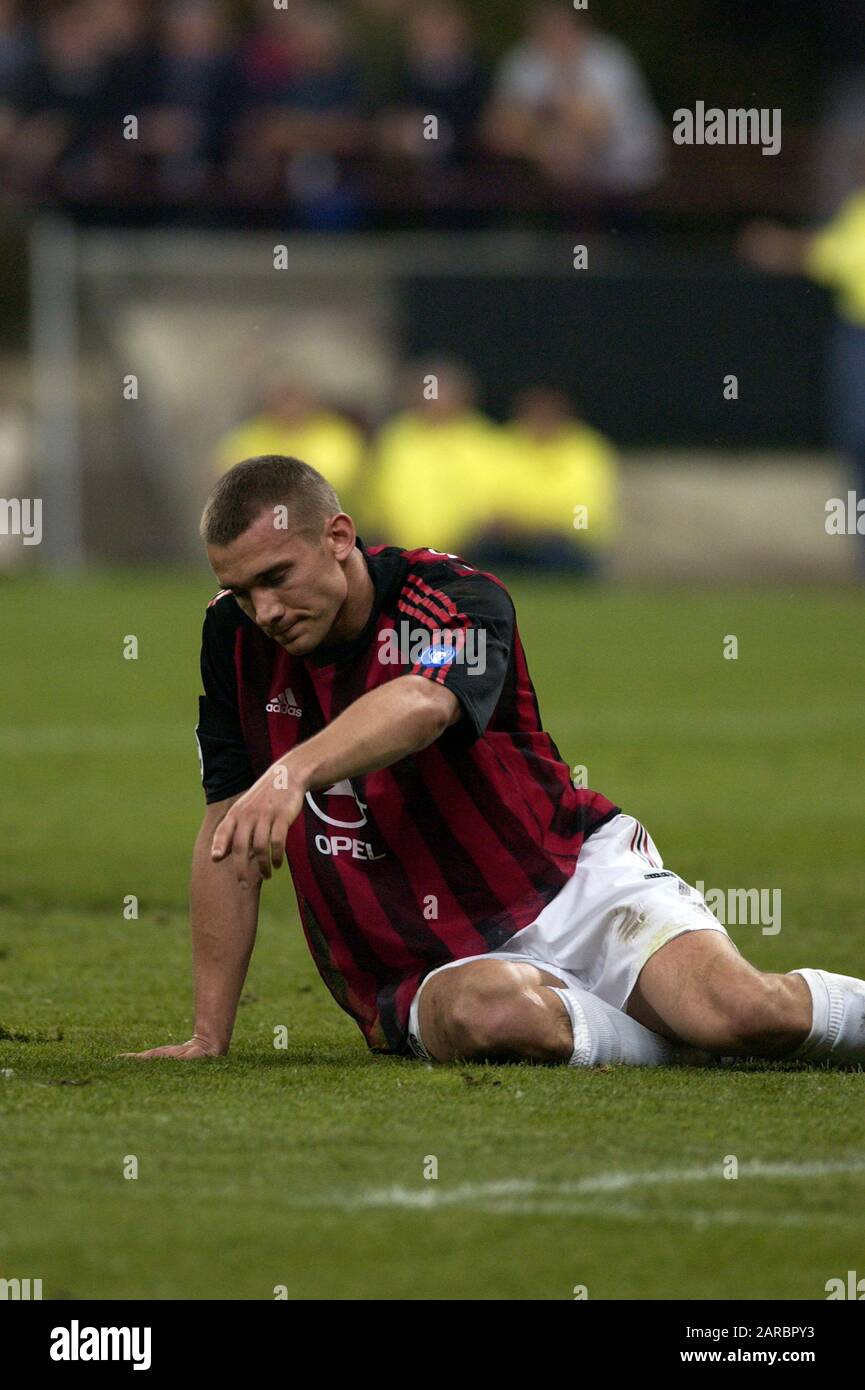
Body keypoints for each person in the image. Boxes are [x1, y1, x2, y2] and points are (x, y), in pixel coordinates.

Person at [123, 455, 865, 1068]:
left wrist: (291, 772)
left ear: (339, 537)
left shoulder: (454, 595)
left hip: (573, 881)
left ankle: (707, 1028)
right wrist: (207, 1037)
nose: (264, 611)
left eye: (276, 577)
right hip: (421, 961)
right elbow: (226, 827)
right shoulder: (231, 639)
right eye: (239, 590)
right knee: (494, 1016)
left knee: (742, 1011)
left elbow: (423, 704)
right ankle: (683, 1038)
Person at [740, 190, 865, 573]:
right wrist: (786, 247)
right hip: (857, 334)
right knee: (858, 445)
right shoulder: (859, 209)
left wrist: (787, 246)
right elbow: (834, 255)